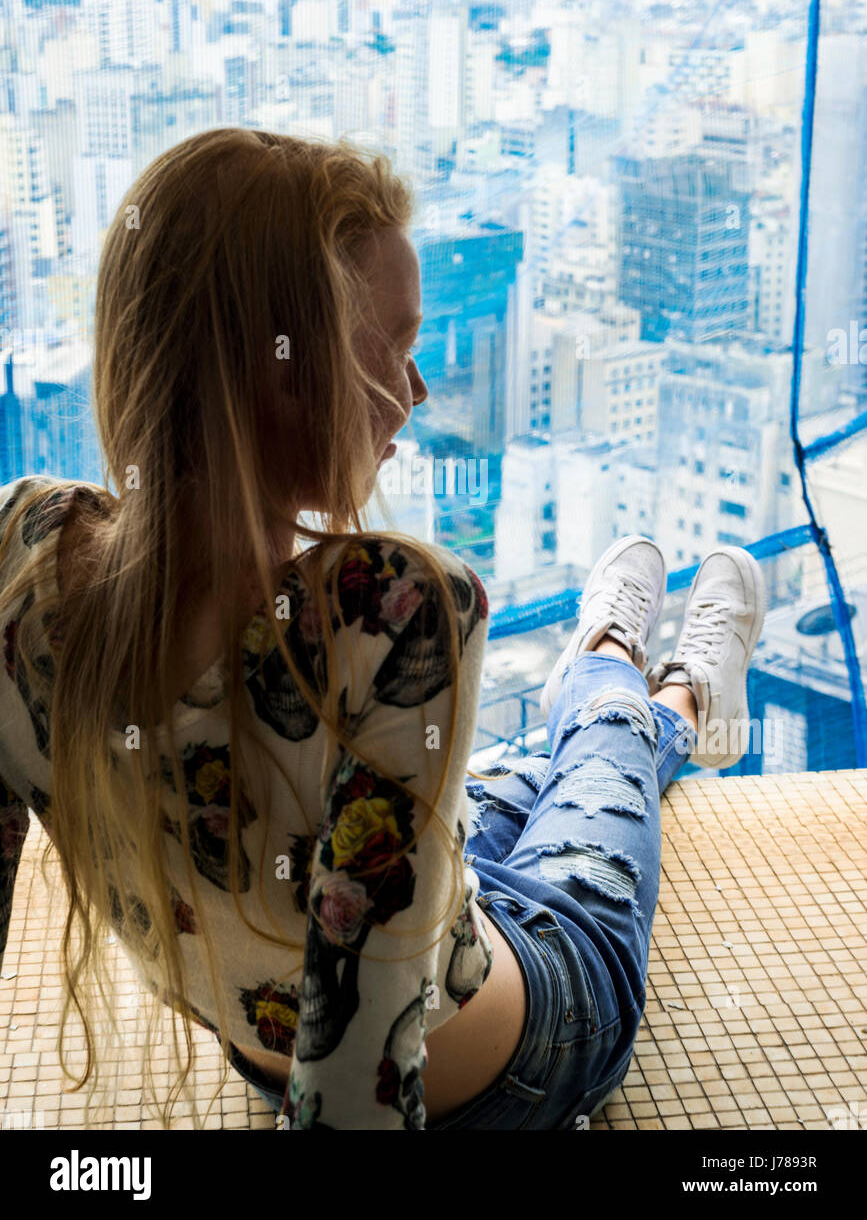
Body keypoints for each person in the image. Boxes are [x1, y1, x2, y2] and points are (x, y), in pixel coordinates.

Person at [0, 127, 765, 1131]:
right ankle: (652, 684)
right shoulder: (393, 608)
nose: (419, 392)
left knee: (507, 783)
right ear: (278, 371)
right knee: (599, 775)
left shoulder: (25, 545)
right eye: (396, 351)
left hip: (319, 993)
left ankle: (615, 686)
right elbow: (360, 1098)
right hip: (523, 1045)